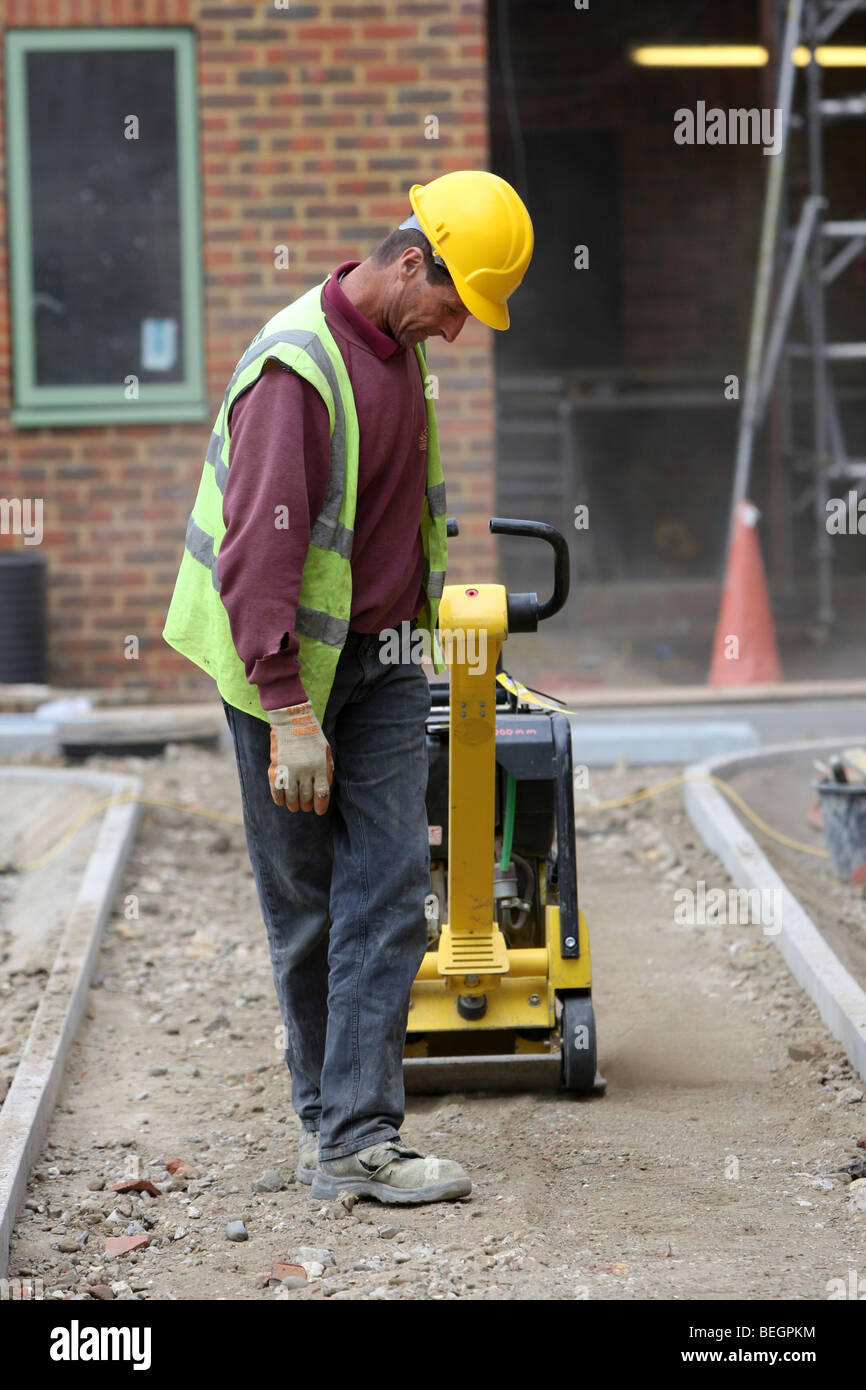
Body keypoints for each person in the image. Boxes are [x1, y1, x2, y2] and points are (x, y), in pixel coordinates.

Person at [163, 170, 533, 1204]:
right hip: (277, 676)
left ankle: (359, 1137)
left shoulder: (396, 348)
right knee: (310, 910)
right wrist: (289, 714)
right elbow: (254, 565)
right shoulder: (298, 372)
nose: (457, 329)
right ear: (411, 261)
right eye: (453, 304)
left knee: (387, 895)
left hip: (375, 664)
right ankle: (330, 1130)